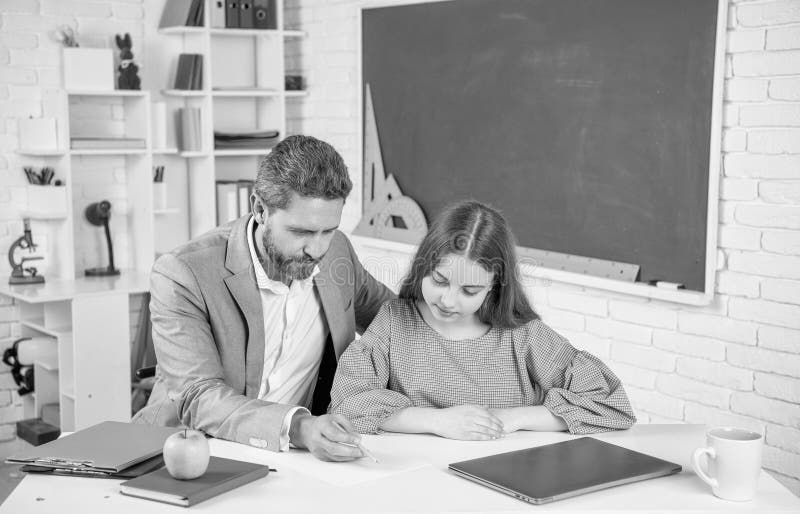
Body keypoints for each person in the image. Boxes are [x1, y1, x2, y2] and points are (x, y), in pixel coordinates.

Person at [133, 135, 395, 461]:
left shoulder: (336, 251)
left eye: (327, 230)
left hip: (295, 461)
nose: (317, 249)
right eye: (301, 232)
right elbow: (198, 396)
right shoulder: (183, 273)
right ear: (260, 209)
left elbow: (395, 320)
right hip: (185, 451)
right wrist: (299, 426)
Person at [329, 200, 636, 439]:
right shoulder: (394, 323)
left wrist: (509, 419)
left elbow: (609, 403)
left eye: (469, 290)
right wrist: (437, 421)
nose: (448, 300)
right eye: (439, 280)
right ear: (423, 266)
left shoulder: (523, 336)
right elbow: (348, 403)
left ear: (494, 287)